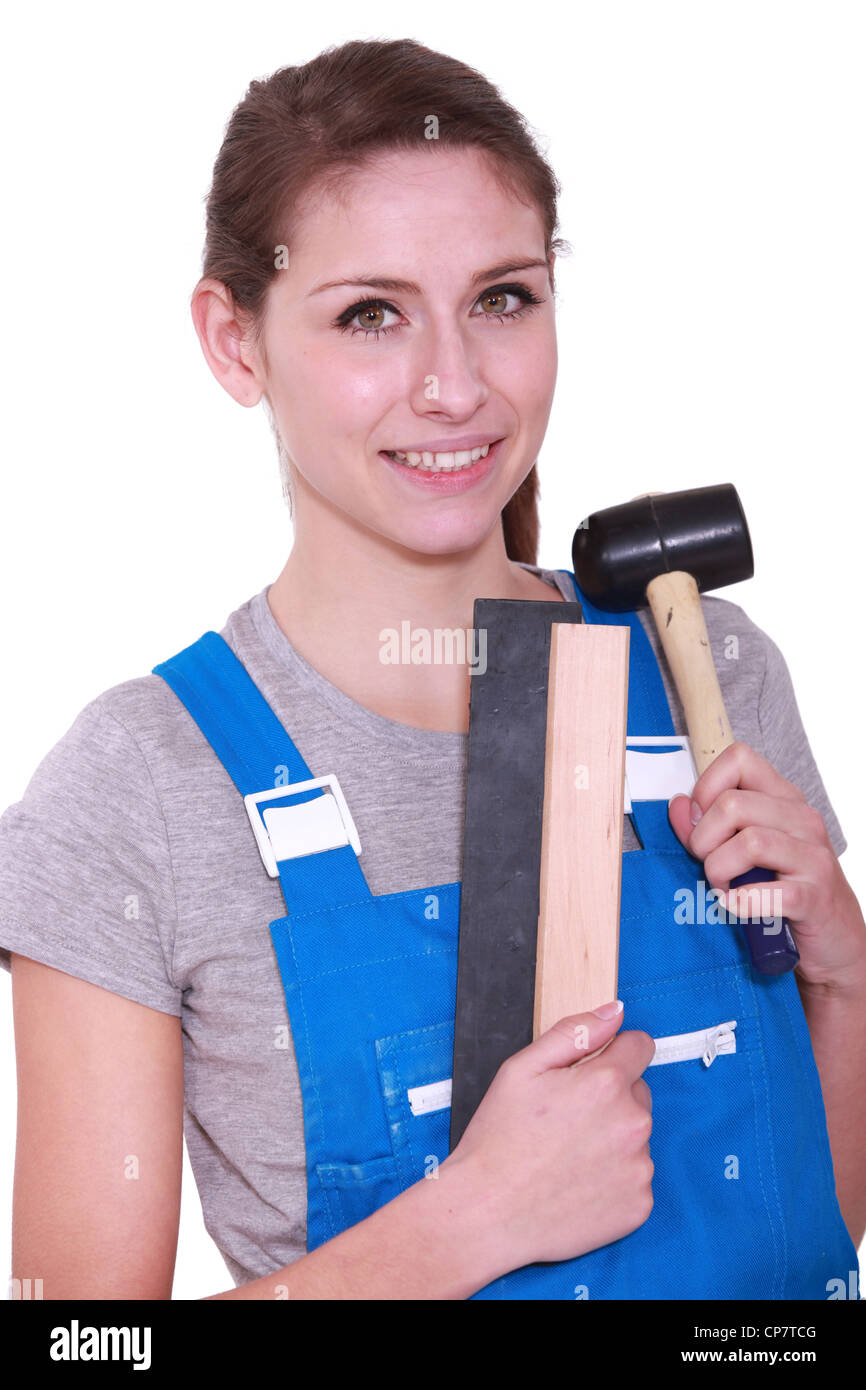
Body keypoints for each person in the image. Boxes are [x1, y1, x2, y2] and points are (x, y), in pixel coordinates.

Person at [2, 37, 865, 1302]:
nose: (453, 386)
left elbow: (813, 1229)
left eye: (501, 299)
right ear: (234, 343)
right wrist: (469, 1222)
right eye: (369, 313)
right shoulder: (138, 791)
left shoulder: (708, 680)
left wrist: (842, 974)